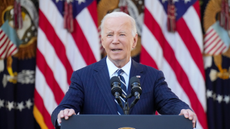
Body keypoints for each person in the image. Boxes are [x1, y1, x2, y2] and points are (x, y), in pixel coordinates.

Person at [51, 12, 197, 128]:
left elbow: (170, 103)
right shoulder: (83, 77)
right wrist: (63, 114)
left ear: (134, 41)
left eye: (121, 34)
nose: (115, 40)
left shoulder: (152, 76)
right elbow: (63, 108)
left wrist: (183, 111)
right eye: (109, 35)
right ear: (102, 41)